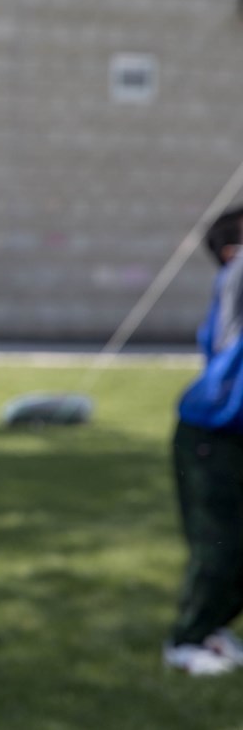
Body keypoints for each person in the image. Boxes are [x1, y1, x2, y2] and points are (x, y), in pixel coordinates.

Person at [166, 205, 243, 676]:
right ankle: (185, 640)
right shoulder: (238, 274)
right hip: (211, 437)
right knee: (219, 545)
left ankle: (212, 629)